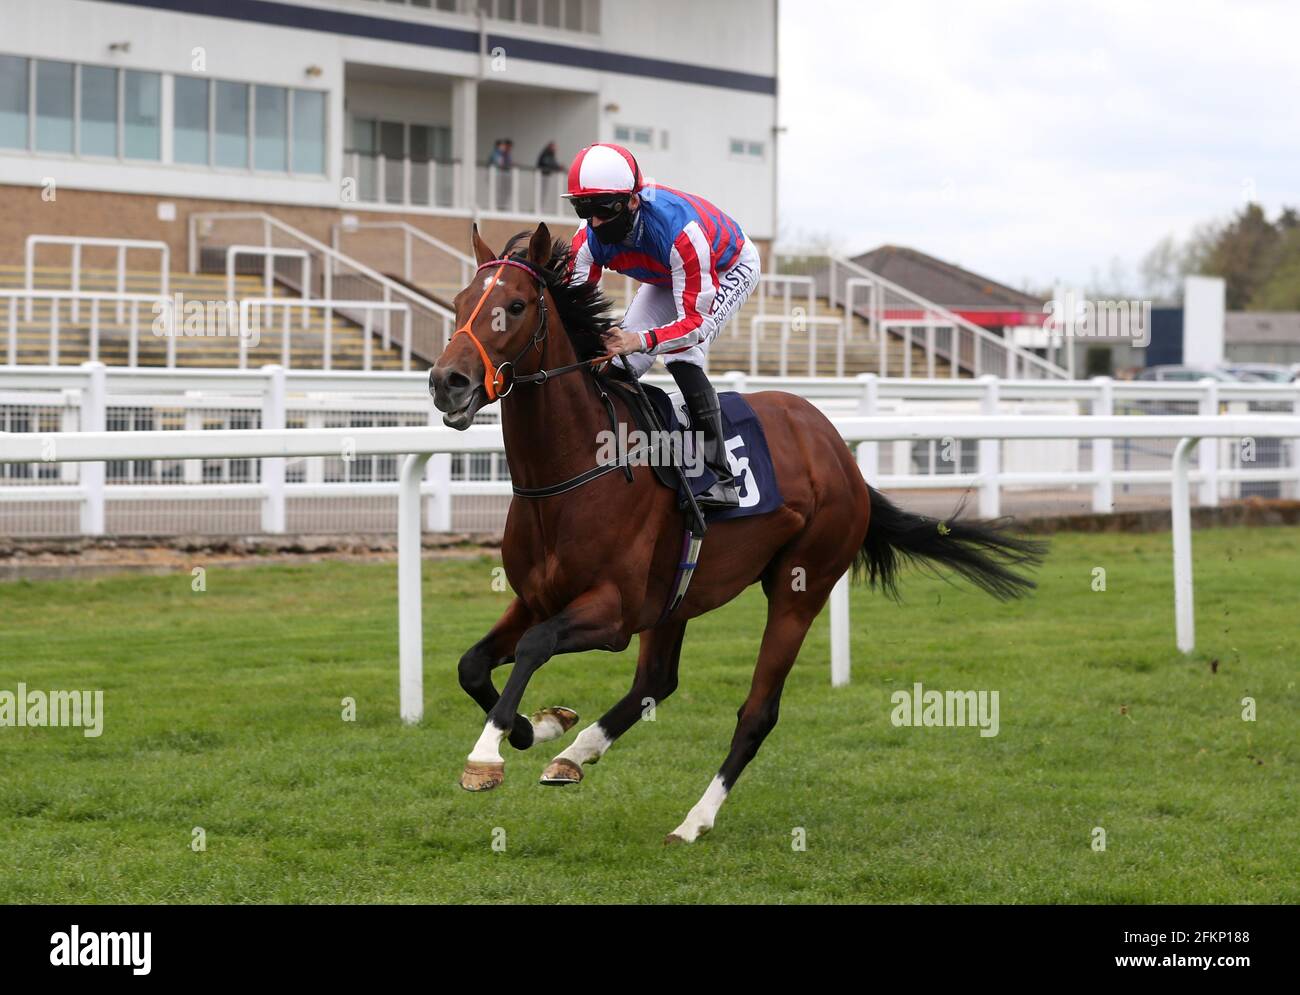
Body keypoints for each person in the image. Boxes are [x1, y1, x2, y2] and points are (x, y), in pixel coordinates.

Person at [564, 143, 761, 509]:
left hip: (726, 266)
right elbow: (575, 306)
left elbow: (695, 324)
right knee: (619, 364)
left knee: (682, 354)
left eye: (603, 209)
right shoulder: (588, 238)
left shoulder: (680, 232)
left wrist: (639, 339)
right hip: (664, 274)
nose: (593, 222)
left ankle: (722, 477)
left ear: (632, 202)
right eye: (583, 209)